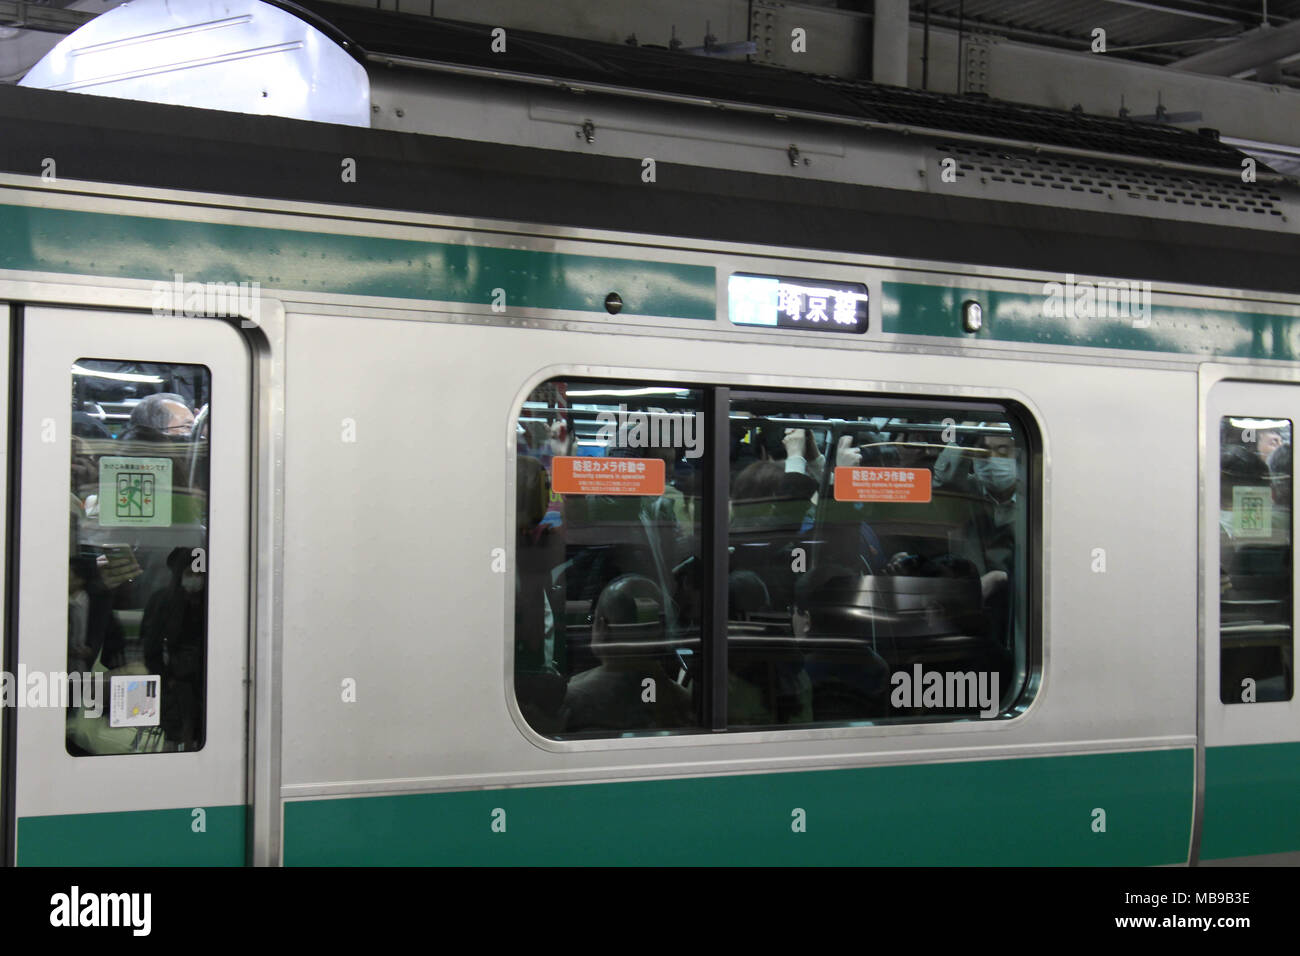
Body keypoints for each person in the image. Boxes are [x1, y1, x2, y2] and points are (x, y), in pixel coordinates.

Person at [561, 575, 693, 732]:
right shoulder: (682, 701)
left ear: (603, 628)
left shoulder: (572, 700)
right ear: (659, 630)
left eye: (593, 619)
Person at [140, 547, 206, 749]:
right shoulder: (163, 601)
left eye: (199, 575)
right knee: (175, 736)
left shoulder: (211, 601)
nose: (194, 579)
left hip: (203, 684)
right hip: (174, 684)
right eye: (189, 574)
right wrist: (165, 679)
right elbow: (151, 646)